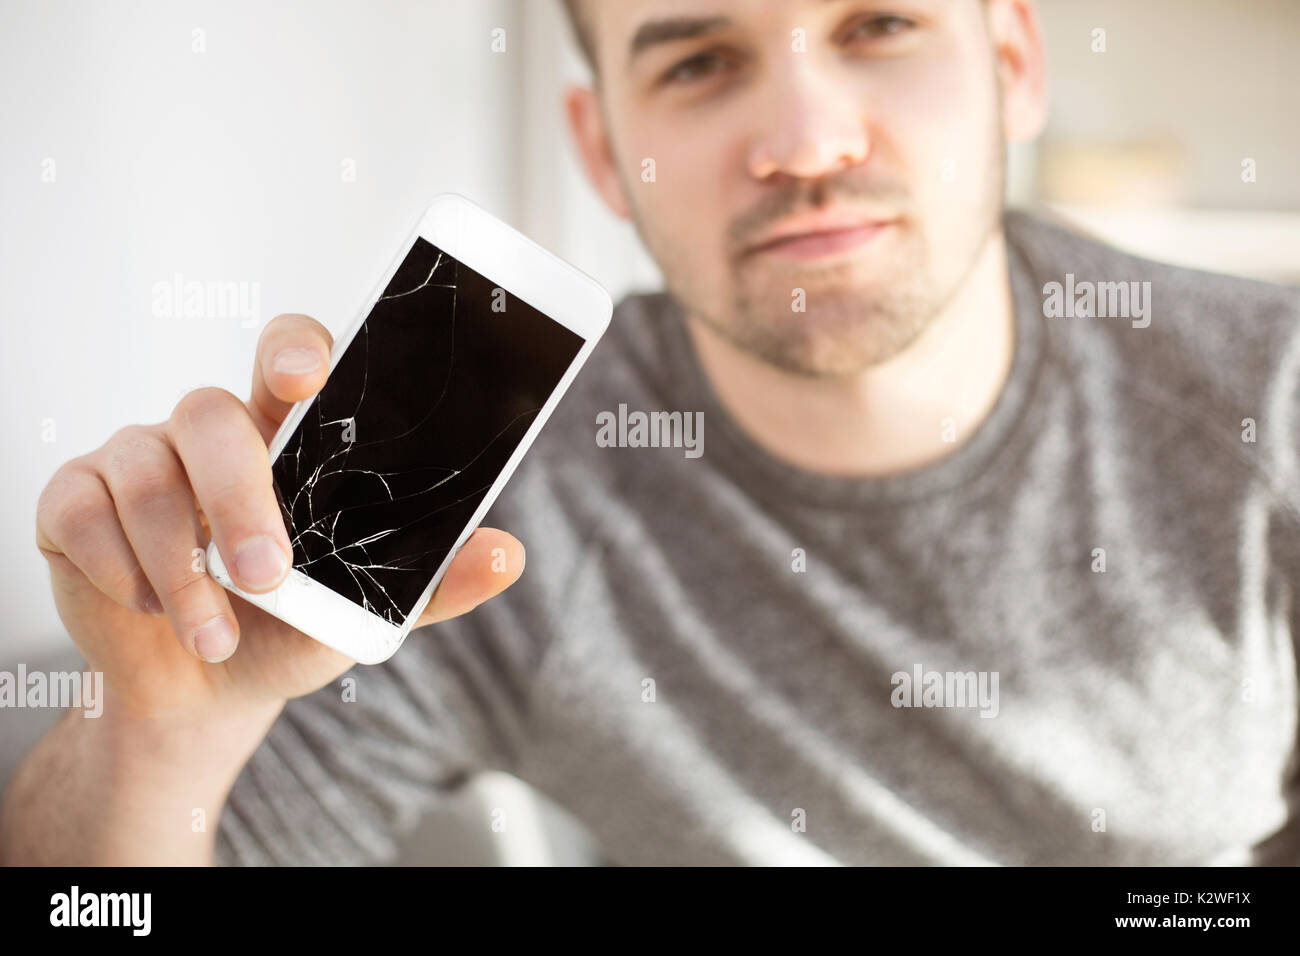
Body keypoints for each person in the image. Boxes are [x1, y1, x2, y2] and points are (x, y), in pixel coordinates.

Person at [4, 0, 1299, 866]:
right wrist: (158, 732)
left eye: (880, 24)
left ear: (1013, 63)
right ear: (604, 150)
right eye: (699, 62)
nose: (805, 143)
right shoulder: (490, 503)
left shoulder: (1272, 395)